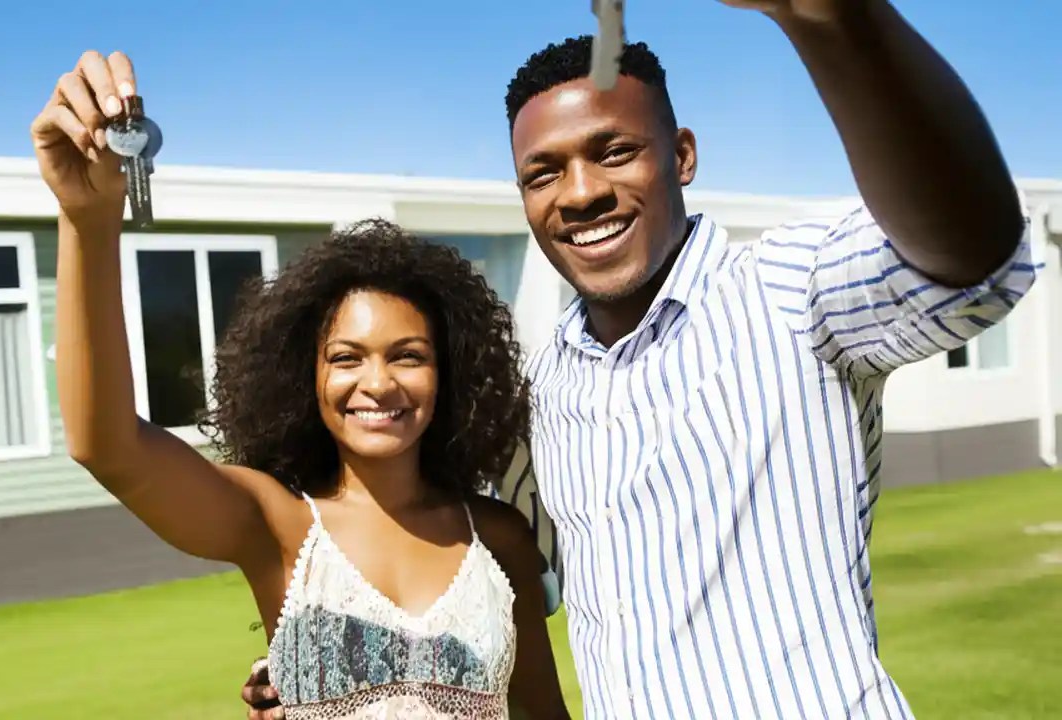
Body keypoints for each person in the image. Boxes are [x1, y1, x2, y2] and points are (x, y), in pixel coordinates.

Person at [246, 1, 1038, 718]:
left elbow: (968, 260)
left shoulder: (791, 295)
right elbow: (479, 593)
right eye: (543, 173)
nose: (580, 192)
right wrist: (332, 667)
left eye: (615, 151)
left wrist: (833, 21)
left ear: (683, 154)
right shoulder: (536, 396)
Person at [32, 51, 572, 719]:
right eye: (346, 357)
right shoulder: (276, 525)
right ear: (305, 377)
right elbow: (105, 445)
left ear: (449, 372)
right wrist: (87, 221)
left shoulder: (499, 539)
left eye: (408, 356)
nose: (377, 383)